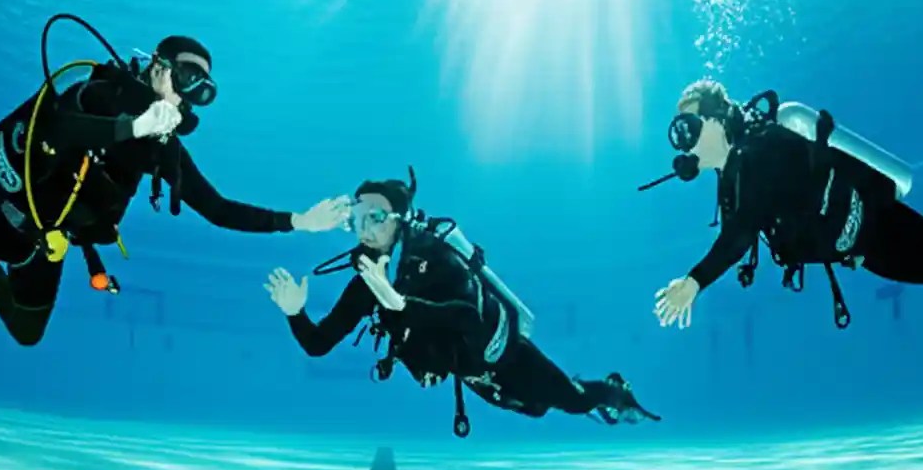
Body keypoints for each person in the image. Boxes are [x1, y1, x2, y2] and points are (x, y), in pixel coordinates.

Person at [0, 15, 351, 346]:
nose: (187, 90)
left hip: (48, 243)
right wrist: (130, 125)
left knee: (27, 335)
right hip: (3, 212)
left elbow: (219, 208)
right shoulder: (103, 92)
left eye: (200, 86)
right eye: (182, 74)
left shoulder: (164, 149)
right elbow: (62, 126)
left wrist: (297, 222)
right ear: (156, 67)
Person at [263, 171, 660, 437]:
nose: (364, 230)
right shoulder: (366, 284)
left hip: (506, 353)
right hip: (471, 372)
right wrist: (295, 313)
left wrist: (402, 304)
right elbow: (318, 344)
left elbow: (468, 316)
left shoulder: (435, 259)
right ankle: (587, 396)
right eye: (356, 219)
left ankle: (612, 391)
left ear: (400, 220)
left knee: (571, 401)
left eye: (376, 216)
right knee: (535, 409)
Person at [649, 78, 923, 330]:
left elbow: (739, 236)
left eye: (687, 128)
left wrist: (696, 281)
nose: (682, 143)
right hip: (859, 248)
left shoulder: (763, 148)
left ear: (718, 119)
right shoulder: (732, 182)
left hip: (874, 220)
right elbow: (744, 227)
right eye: (677, 134)